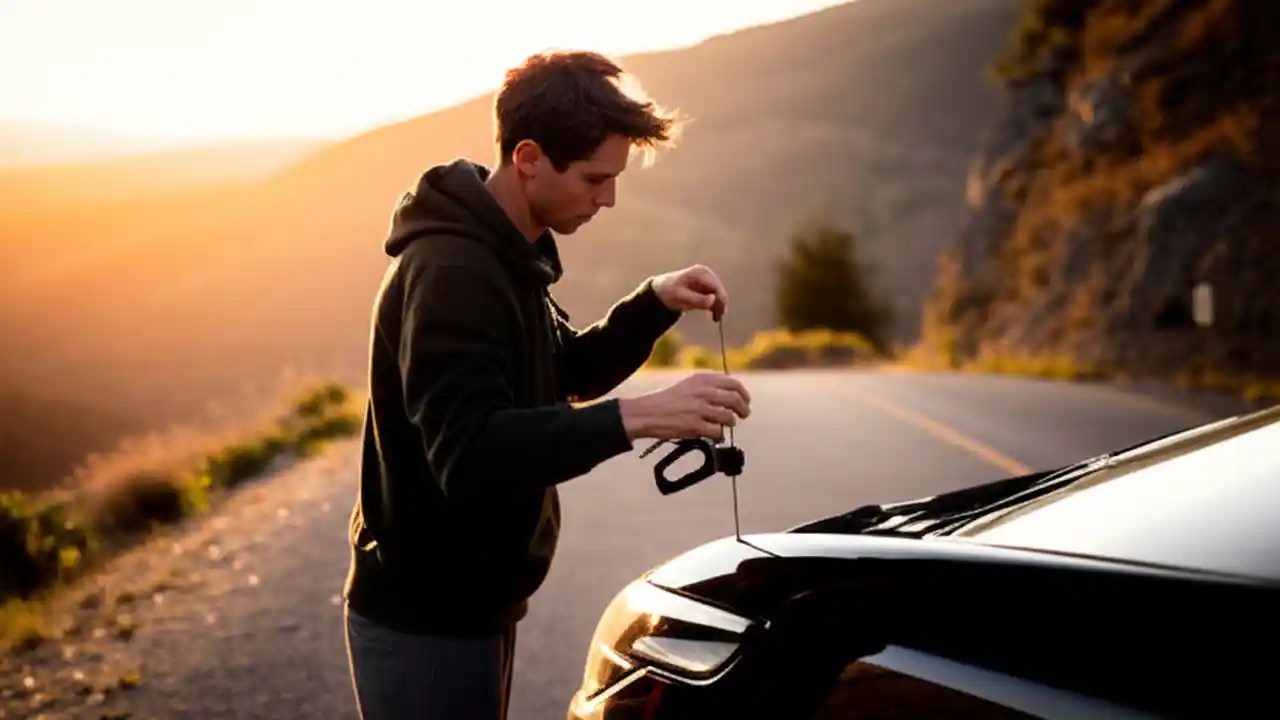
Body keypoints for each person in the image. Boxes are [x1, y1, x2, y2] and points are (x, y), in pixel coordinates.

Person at [341, 49, 752, 719]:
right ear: (529, 157)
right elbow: (470, 454)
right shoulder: (453, 271)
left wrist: (654, 302)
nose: (608, 198)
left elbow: (566, 372)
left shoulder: (508, 250)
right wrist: (639, 417)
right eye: (595, 179)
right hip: (425, 616)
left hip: (474, 601)